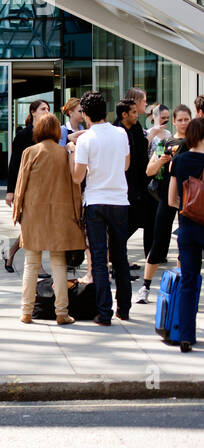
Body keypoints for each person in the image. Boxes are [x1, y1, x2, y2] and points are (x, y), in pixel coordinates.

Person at [12, 112, 85, 325]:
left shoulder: (30, 152)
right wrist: (77, 214)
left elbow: (20, 185)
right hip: (60, 216)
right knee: (59, 264)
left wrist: (17, 211)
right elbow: (75, 187)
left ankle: (26, 311)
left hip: (34, 215)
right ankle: (61, 312)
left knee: (31, 263)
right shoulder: (65, 153)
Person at [70, 90, 131, 326]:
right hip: (119, 200)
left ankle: (104, 312)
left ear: (85, 114)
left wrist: (73, 152)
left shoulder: (85, 139)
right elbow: (125, 165)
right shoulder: (120, 133)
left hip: (95, 200)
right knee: (120, 255)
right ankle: (124, 308)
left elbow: (77, 177)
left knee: (98, 257)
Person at [138, 104, 192, 302]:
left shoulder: (196, 142)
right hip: (166, 197)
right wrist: (161, 161)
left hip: (190, 198)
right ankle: (145, 286)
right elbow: (149, 171)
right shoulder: (166, 142)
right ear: (175, 122)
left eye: (187, 119)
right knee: (159, 240)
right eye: (180, 120)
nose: (184, 123)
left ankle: (181, 284)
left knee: (184, 242)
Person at [165, 116, 204, 351]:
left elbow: (171, 200)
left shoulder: (179, 161)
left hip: (187, 226)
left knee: (189, 281)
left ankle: (186, 336)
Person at [2, 99, 50, 270]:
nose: (46, 111)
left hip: (45, 188)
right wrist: (10, 191)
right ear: (33, 112)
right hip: (27, 188)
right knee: (33, 227)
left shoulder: (50, 134)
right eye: (43, 109)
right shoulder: (23, 135)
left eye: (48, 109)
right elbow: (15, 164)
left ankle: (10, 253)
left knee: (33, 227)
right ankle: (38, 267)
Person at [118, 92, 151, 260]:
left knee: (136, 219)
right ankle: (116, 257)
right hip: (126, 185)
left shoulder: (135, 128)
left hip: (137, 184)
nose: (145, 105)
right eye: (144, 102)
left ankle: (118, 257)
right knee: (129, 221)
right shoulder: (119, 131)